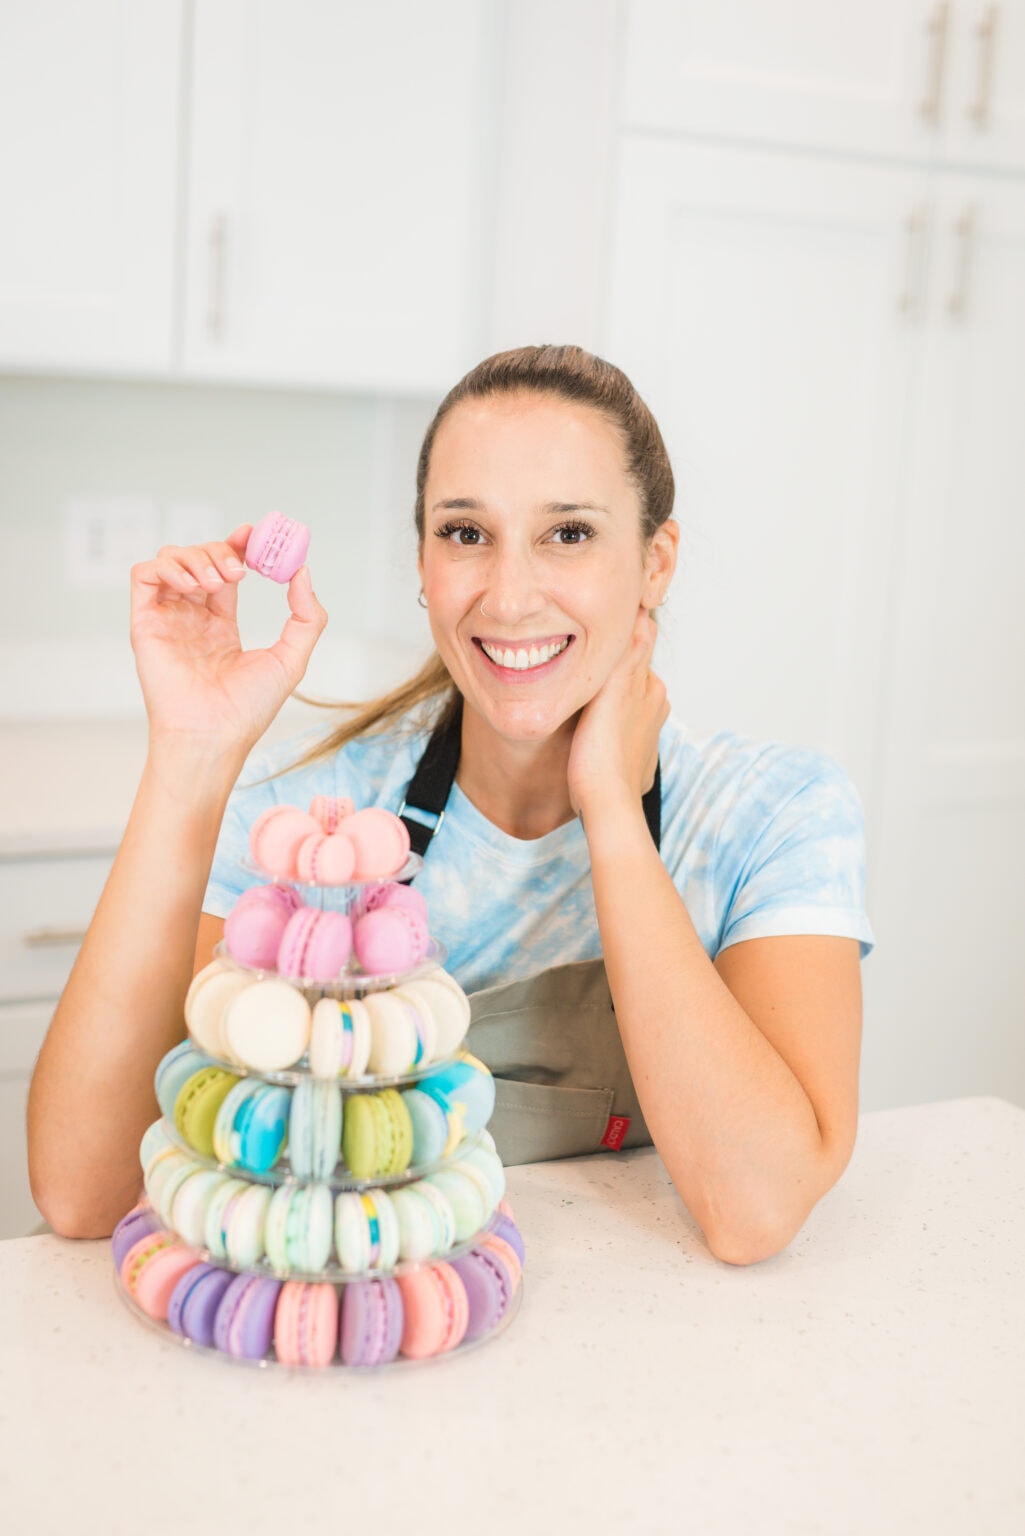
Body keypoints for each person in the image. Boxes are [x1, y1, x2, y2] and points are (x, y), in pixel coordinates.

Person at [28, 344, 873, 1265]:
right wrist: (192, 756)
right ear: (424, 564)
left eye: (569, 533)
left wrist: (611, 810)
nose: (508, 598)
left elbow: (754, 1208)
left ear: (655, 562)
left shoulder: (773, 816)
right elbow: (81, 1189)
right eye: (466, 533)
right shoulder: (310, 824)